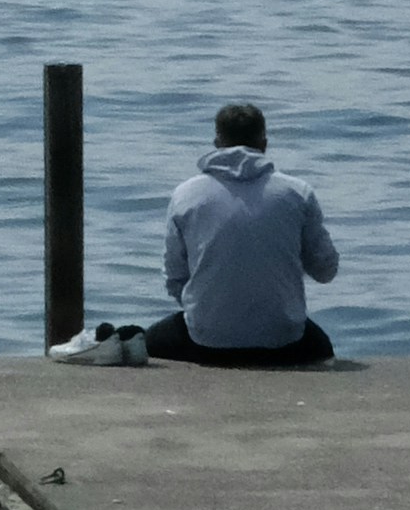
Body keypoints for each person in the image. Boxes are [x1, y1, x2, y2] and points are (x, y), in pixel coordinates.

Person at [144, 102, 341, 365]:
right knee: (323, 347)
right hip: (284, 341)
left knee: (144, 343)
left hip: (208, 341)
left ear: (217, 141)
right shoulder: (297, 192)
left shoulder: (186, 194)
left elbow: (174, 278)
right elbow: (325, 271)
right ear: (265, 143)